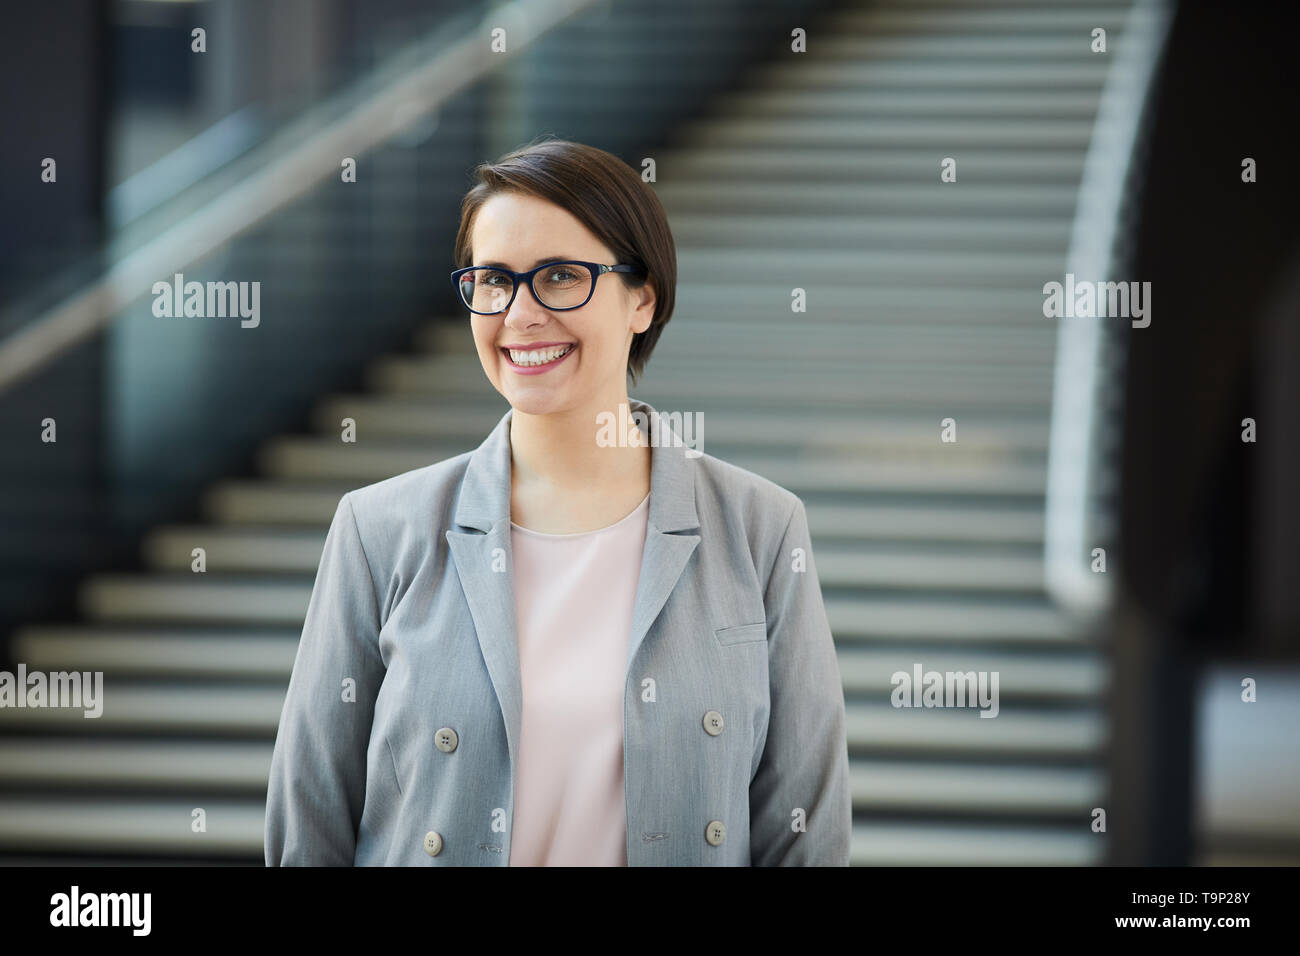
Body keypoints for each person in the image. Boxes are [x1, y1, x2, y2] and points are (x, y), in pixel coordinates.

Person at [264, 137, 851, 866]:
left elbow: (805, 838)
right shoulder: (380, 531)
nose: (520, 313)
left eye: (562, 276)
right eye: (493, 280)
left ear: (644, 298)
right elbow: (309, 823)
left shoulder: (760, 529)